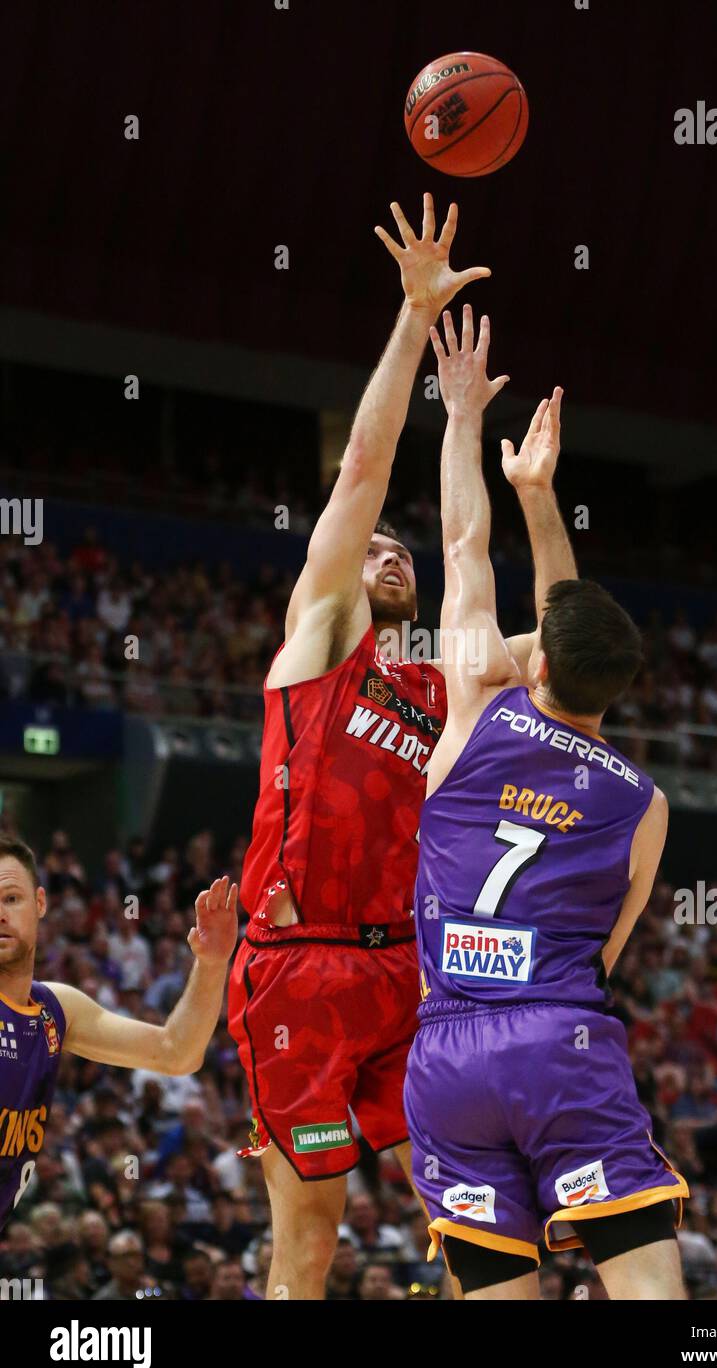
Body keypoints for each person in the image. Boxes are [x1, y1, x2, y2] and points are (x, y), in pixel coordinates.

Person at [227, 194, 535, 1301]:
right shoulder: (318, 644)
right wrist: (412, 324)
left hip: (412, 971)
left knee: (471, 1210)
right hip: (298, 962)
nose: (390, 552)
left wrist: (520, 487)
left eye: (405, 550)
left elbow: (557, 640)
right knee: (308, 1241)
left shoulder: (438, 678)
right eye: (377, 548)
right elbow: (362, 473)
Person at [403, 307, 689, 1300]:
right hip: (559, 1042)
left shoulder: (474, 702)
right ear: (620, 688)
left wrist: (464, 417)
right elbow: (600, 957)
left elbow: (458, 537)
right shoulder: (642, 804)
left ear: (537, 663)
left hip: (445, 1058)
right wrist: (543, 496)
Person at [0, 834, 238, 1232]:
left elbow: (176, 1052)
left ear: (40, 903)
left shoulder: (56, 1010)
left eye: (11, 899)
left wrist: (212, 965)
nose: (1, 914)